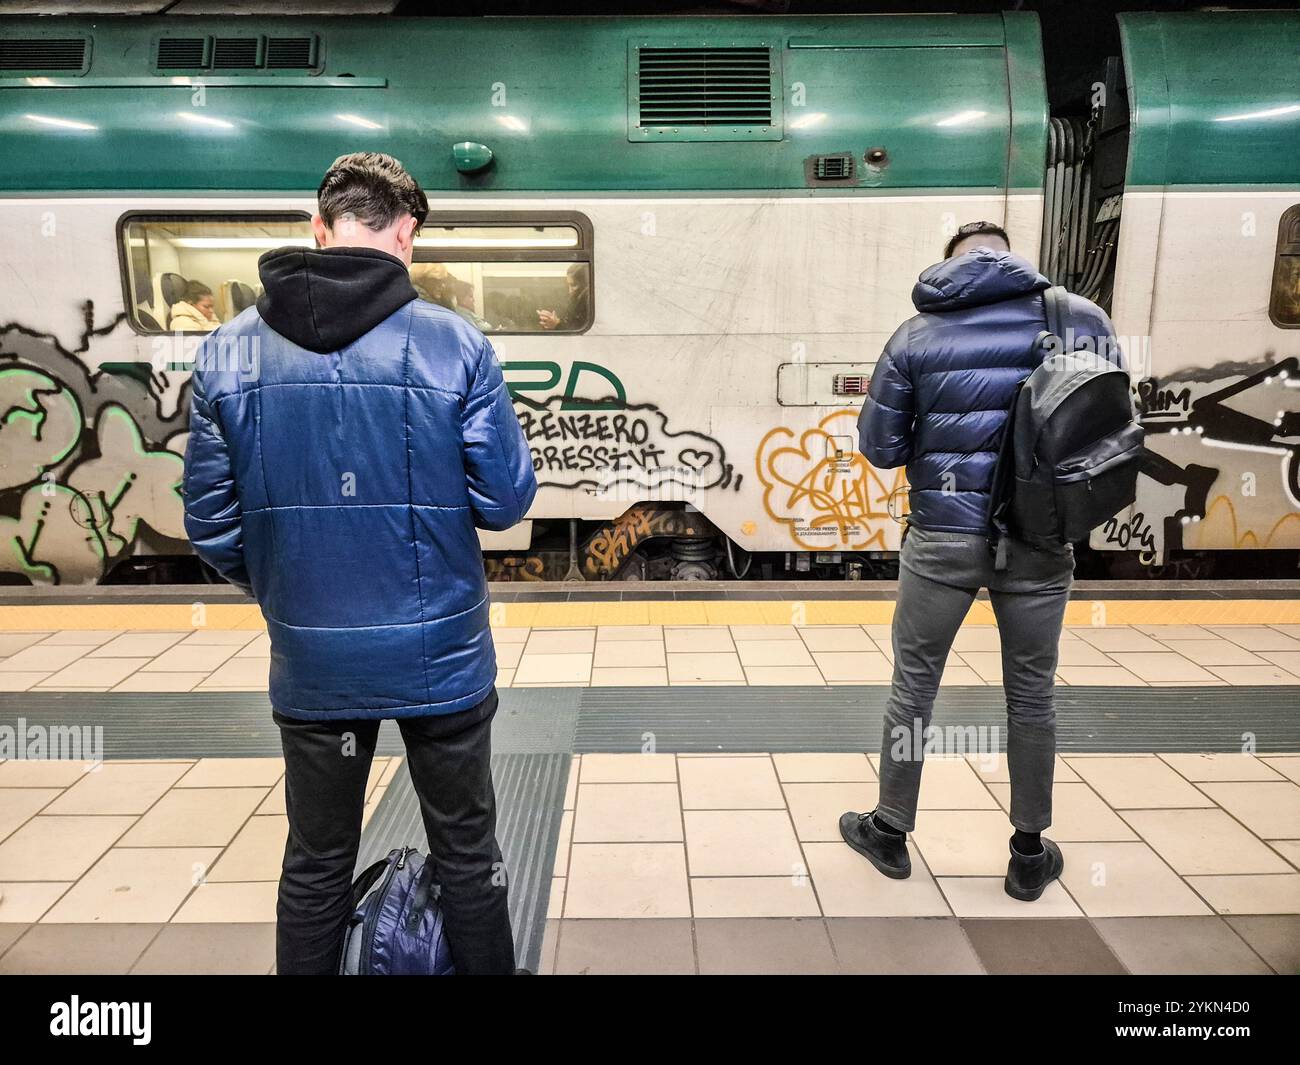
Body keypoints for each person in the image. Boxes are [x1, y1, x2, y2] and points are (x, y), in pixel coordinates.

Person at [182, 151, 538, 974]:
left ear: (319, 226)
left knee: (316, 861)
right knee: (468, 858)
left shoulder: (226, 354)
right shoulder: (456, 344)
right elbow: (505, 501)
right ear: (406, 233)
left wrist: (289, 591)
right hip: (441, 661)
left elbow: (210, 525)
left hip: (313, 666)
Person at [841, 221, 1122, 902]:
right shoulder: (1079, 317)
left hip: (942, 537)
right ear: (1011, 257)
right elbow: (1111, 427)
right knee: (1031, 695)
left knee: (914, 686)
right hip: (1039, 538)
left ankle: (890, 830)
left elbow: (879, 448)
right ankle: (1029, 852)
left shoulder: (916, 336)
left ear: (951, 270)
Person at [537, 262, 589, 330]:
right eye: (569, 285)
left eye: (574, 285)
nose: (570, 291)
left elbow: (577, 333)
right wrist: (553, 320)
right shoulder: (574, 300)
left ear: (586, 284)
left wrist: (557, 325)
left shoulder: (588, 301)